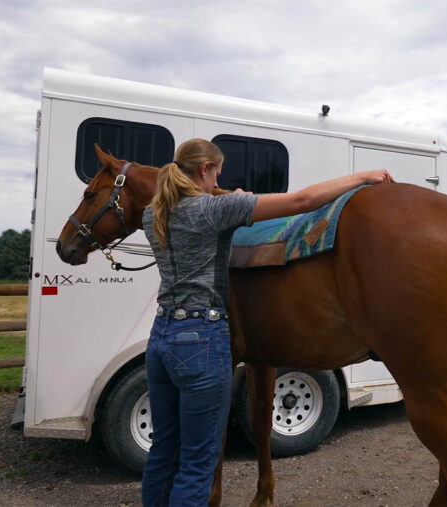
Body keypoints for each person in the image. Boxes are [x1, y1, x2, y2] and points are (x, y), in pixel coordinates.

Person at [140, 138, 392, 506]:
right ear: (205, 170)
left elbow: (197, 207)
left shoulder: (153, 214)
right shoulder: (214, 210)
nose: (217, 182)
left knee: (163, 451)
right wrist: (362, 177)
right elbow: (302, 201)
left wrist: (235, 201)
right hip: (201, 338)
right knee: (196, 462)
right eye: (216, 175)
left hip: (160, 337)